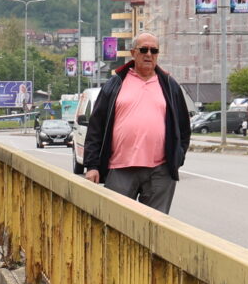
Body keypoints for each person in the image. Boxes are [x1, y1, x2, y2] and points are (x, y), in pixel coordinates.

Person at [79, 32, 191, 212]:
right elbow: (96, 127)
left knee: (155, 229)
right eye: (144, 49)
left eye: (154, 50)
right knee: (116, 226)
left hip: (160, 171)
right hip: (120, 168)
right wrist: (92, 166)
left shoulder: (170, 86)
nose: (149, 54)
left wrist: (177, 158)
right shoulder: (115, 84)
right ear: (133, 53)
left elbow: (184, 128)